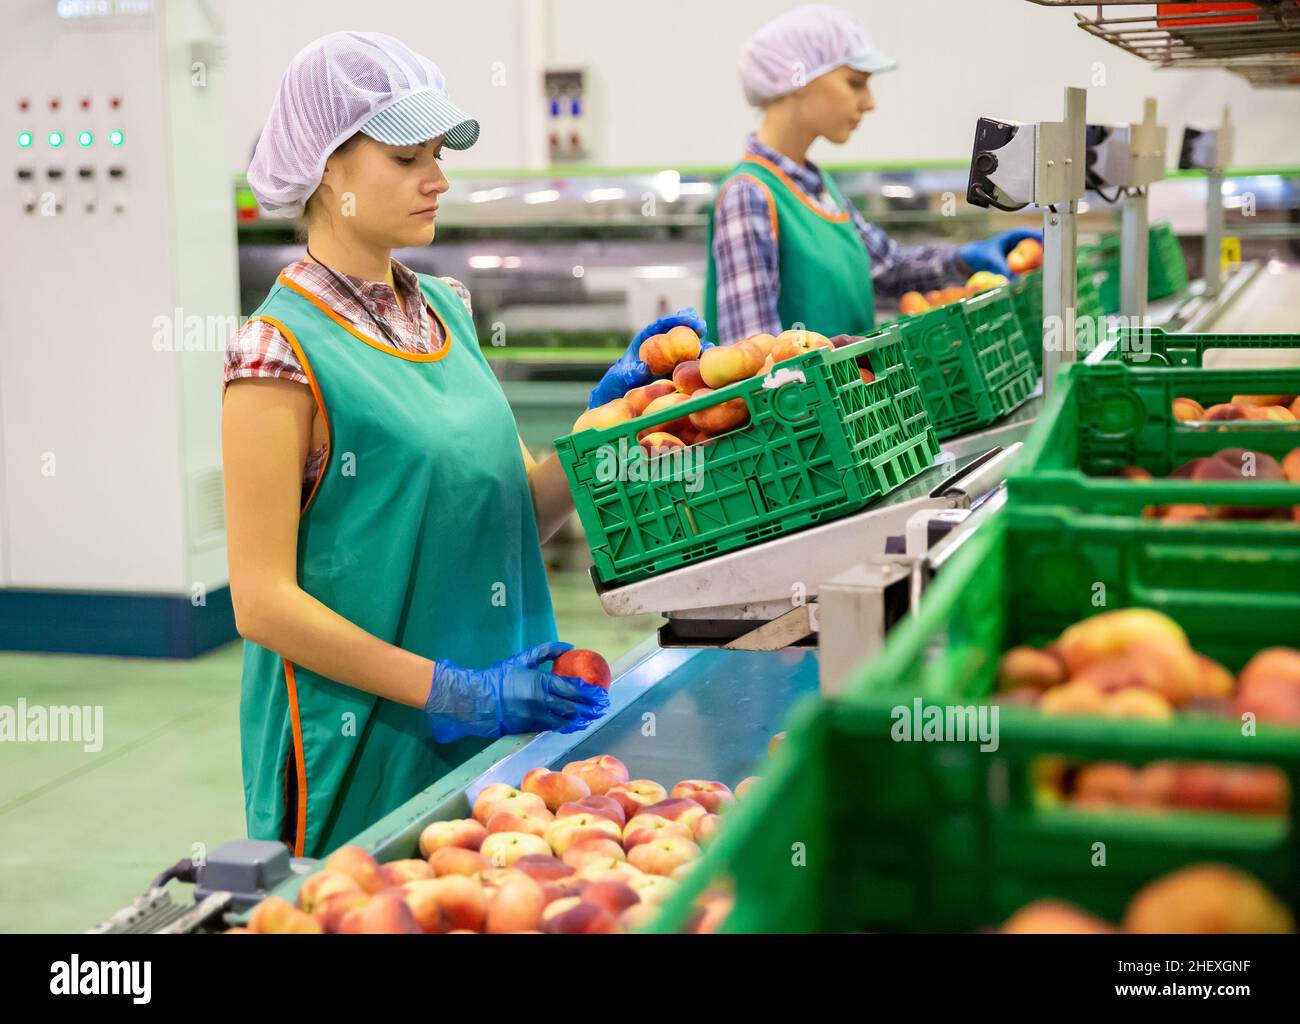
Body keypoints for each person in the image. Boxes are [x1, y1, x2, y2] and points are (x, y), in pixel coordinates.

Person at [225, 32, 693, 857]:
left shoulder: (445, 308)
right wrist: (454, 692)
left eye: (438, 154)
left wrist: (603, 429)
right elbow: (261, 602)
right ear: (328, 167)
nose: (437, 179)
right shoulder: (276, 351)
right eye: (407, 158)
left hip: (508, 725)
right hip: (367, 741)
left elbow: (515, 514)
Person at [705, 4, 1039, 344]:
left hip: (848, 395)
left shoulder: (819, 190)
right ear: (798, 78)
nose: (869, 102)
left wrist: (966, 259)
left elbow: (890, 270)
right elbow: (752, 361)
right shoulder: (749, 195)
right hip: (809, 399)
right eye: (855, 83)